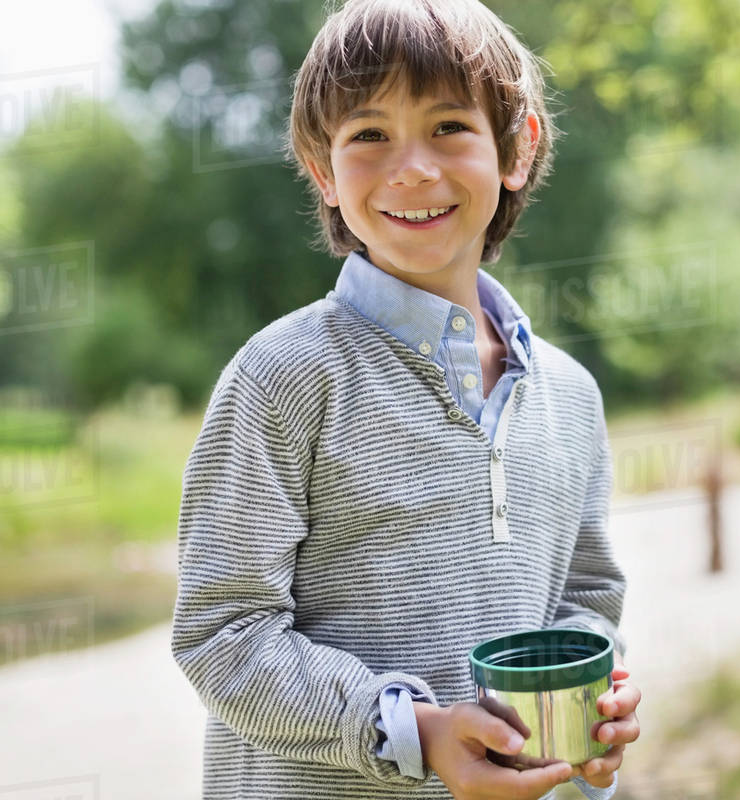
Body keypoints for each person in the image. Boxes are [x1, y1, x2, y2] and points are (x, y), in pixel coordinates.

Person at [171, 1, 640, 798]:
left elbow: (586, 597)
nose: (412, 168)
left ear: (516, 148)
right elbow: (224, 635)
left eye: (450, 126)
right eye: (369, 136)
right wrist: (414, 732)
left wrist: (594, 700)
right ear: (322, 169)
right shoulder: (283, 377)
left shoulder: (570, 393)